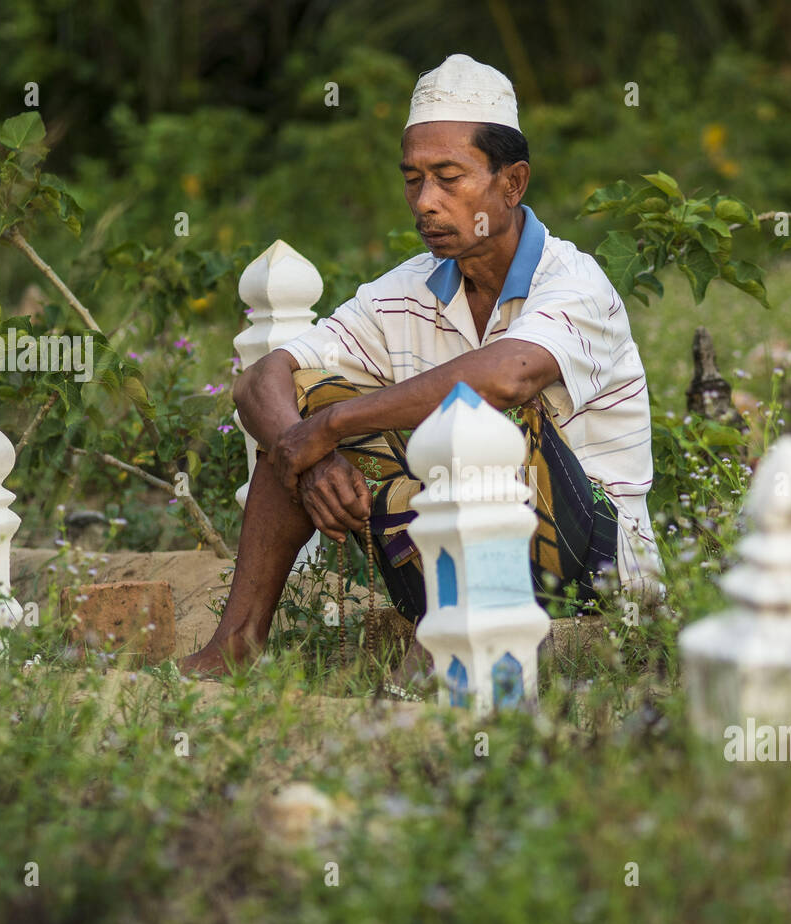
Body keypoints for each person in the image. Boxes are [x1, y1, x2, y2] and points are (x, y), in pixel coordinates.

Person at [180, 54, 663, 679]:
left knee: (496, 423)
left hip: (592, 562)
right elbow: (259, 379)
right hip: (444, 543)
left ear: (511, 185)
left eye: (448, 178)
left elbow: (508, 376)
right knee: (293, 422)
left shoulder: (574, 282)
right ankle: (236, 647)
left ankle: (453, 651)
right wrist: (307, 453)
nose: (426, 203)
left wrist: (330, 429)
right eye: (413, 180)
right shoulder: (404, 291)